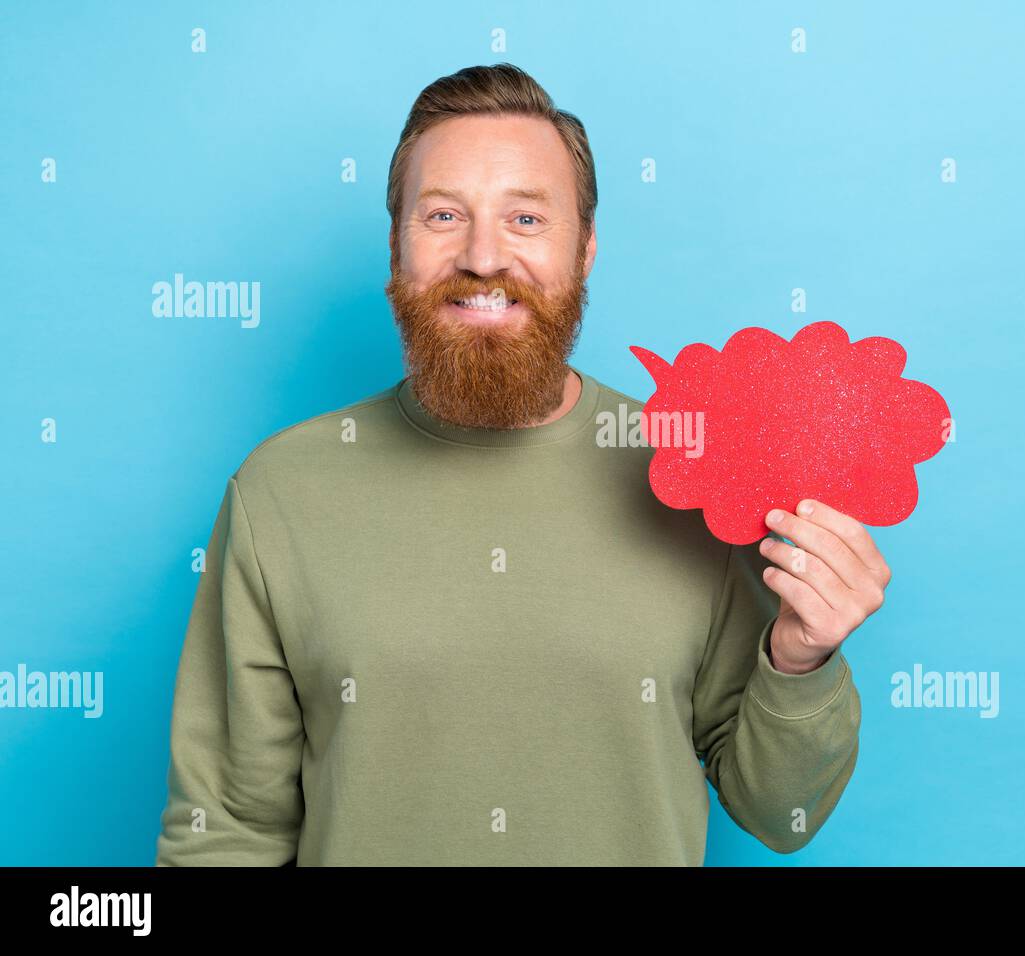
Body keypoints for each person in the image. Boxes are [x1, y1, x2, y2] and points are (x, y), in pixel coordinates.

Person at [155, 63, 886, 866]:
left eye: (527, 218)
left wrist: (801, 656)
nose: (482, 257)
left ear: (587, 249)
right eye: (442, 215)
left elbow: (781, 811)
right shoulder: (280, 494)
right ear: (397, 248)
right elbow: (226, 834)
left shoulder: (690, 471)